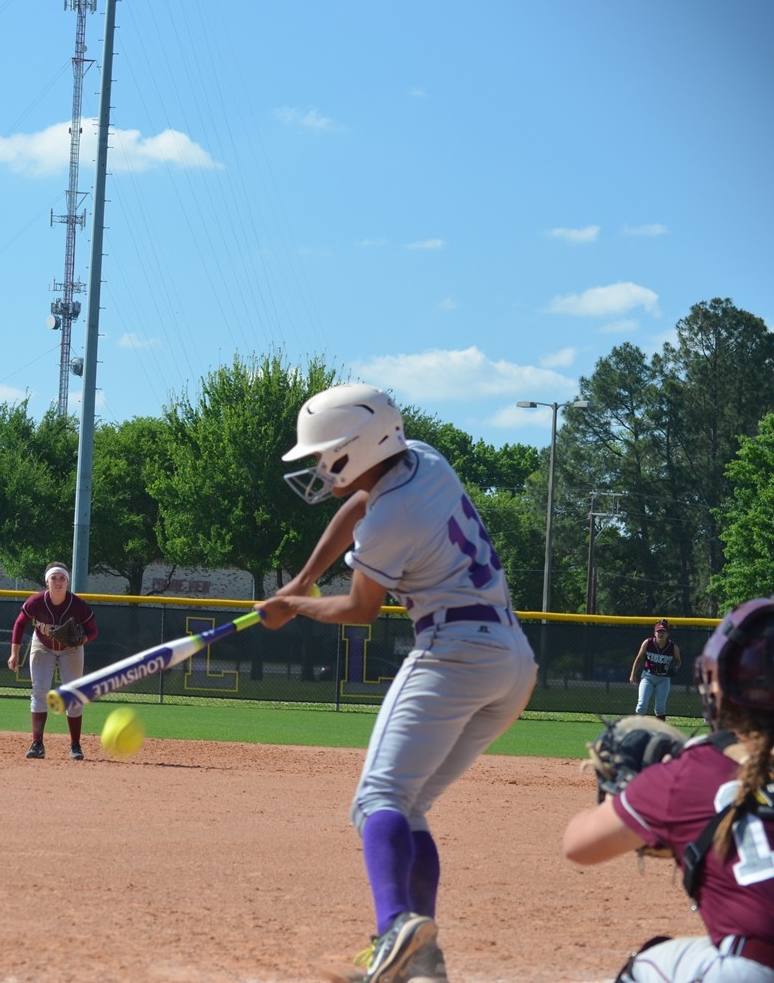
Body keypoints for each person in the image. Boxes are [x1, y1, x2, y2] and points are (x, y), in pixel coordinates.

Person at [257, 384, 538, 983]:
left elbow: (361, 610)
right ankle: (422, 960)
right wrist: (302, 580)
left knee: (376, 800)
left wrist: (294, 607)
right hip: (512, 659)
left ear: (354, 450)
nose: (318, 466)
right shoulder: (424, 459)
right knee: (409, 806)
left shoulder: (392, 519)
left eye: (323, 455)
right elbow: (360, 503)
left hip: (455, 652)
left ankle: (394, 935)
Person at [563, 596, 774, 982]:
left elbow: (578, 844)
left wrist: (640, 788)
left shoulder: (693, 770)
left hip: (753, 968)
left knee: (646, 964)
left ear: (716, 682)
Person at [9, 562, 97, 760]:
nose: (58, 582)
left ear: (68, 582)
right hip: (42, 645)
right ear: (47, 582)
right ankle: (37, 744)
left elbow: (93, 630)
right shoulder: (37, 601)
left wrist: (83, 639)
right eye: (54, 578)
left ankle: (75, 745)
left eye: (62, 578)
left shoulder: (78, 605)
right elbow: (20, 623)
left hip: (70, 650)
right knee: (40, 691)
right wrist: (14, 654)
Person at [630, 618, 683, 720]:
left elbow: (678, 661)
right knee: (641, 705)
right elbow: (639, 658)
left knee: (660, 708)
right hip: (648, 676)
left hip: (663, 678)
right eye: (658, 631)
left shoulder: (673, 647)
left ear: (667, 634)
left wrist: (675, 667)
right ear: (655, 633)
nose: (660, 634)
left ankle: (660, 729)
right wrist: (633, 674)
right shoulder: (648, 643)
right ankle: (637, 727)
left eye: (663, 632)